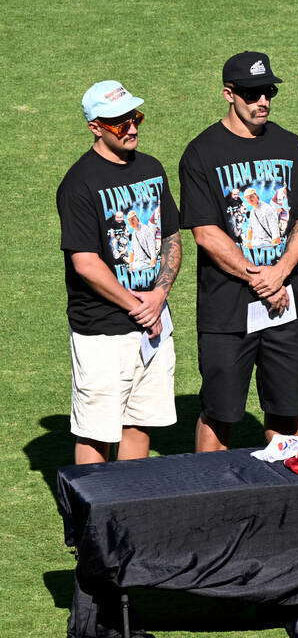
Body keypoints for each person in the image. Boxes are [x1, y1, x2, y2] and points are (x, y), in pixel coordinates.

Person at [179, 51, 298, 452]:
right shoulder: (202, 152)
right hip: (227, 308)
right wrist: (261, 278)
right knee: (219, 412)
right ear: (229, 94)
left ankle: (283, 487)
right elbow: (205, 232)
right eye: (252, 94)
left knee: (286, 411)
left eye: (268, 92)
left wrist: (280, 273)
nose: (262, 101)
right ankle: (210, 488)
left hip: (285, 303)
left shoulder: (288, 144)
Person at [58, 80, 181, 465]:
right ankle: (91, 505)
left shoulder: (151, 168)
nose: (131, 128)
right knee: (97, 432)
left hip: (153, 323)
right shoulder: (79, 183)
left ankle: (132, 503)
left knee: (140, 424)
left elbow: (171, 237)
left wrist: (158, 296)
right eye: (118, 122)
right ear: (95, 127)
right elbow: (86, 263)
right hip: (102, 332)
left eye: (134, 117)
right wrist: (140, 307)